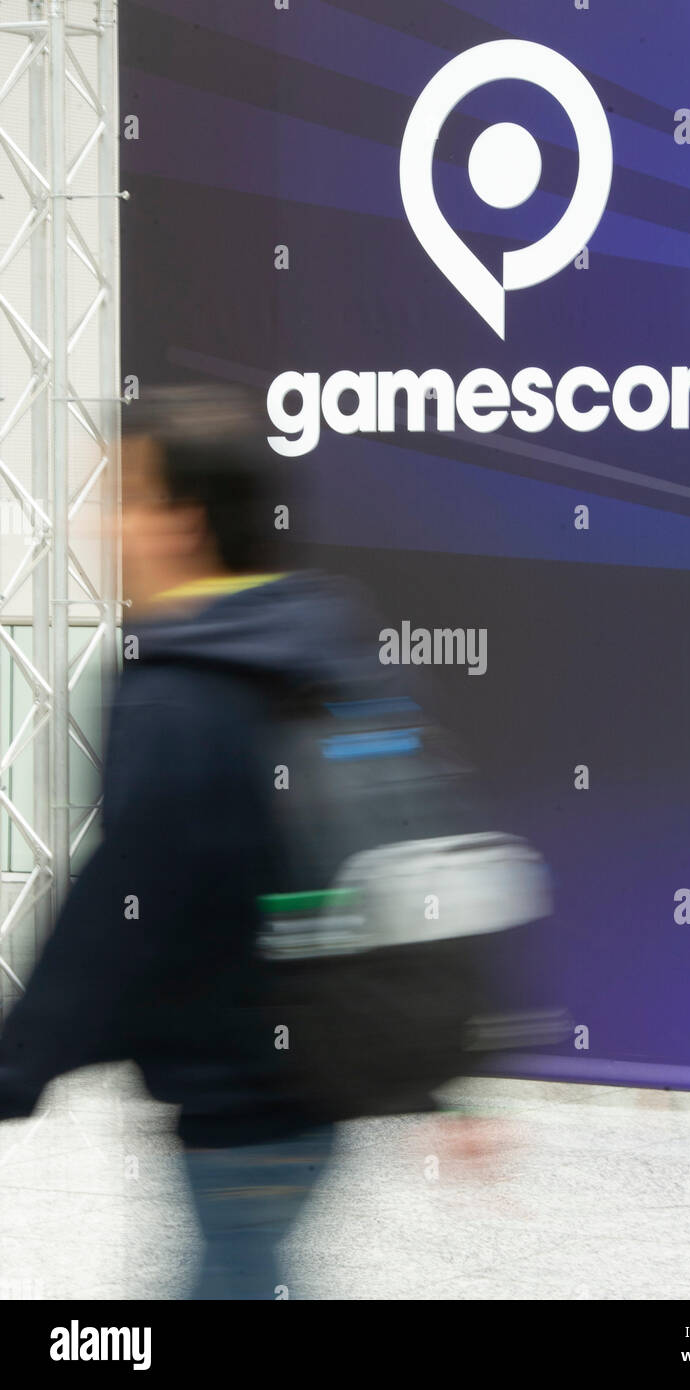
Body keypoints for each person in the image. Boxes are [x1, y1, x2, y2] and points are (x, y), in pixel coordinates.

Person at [0, 385, 401, 1299]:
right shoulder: (315, 643)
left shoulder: (178, 684)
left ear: (183, 521)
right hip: (320, 1080)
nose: (103, 525)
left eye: (122, 498)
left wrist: (19, 1063)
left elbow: (127, 901)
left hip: (240, 1099)